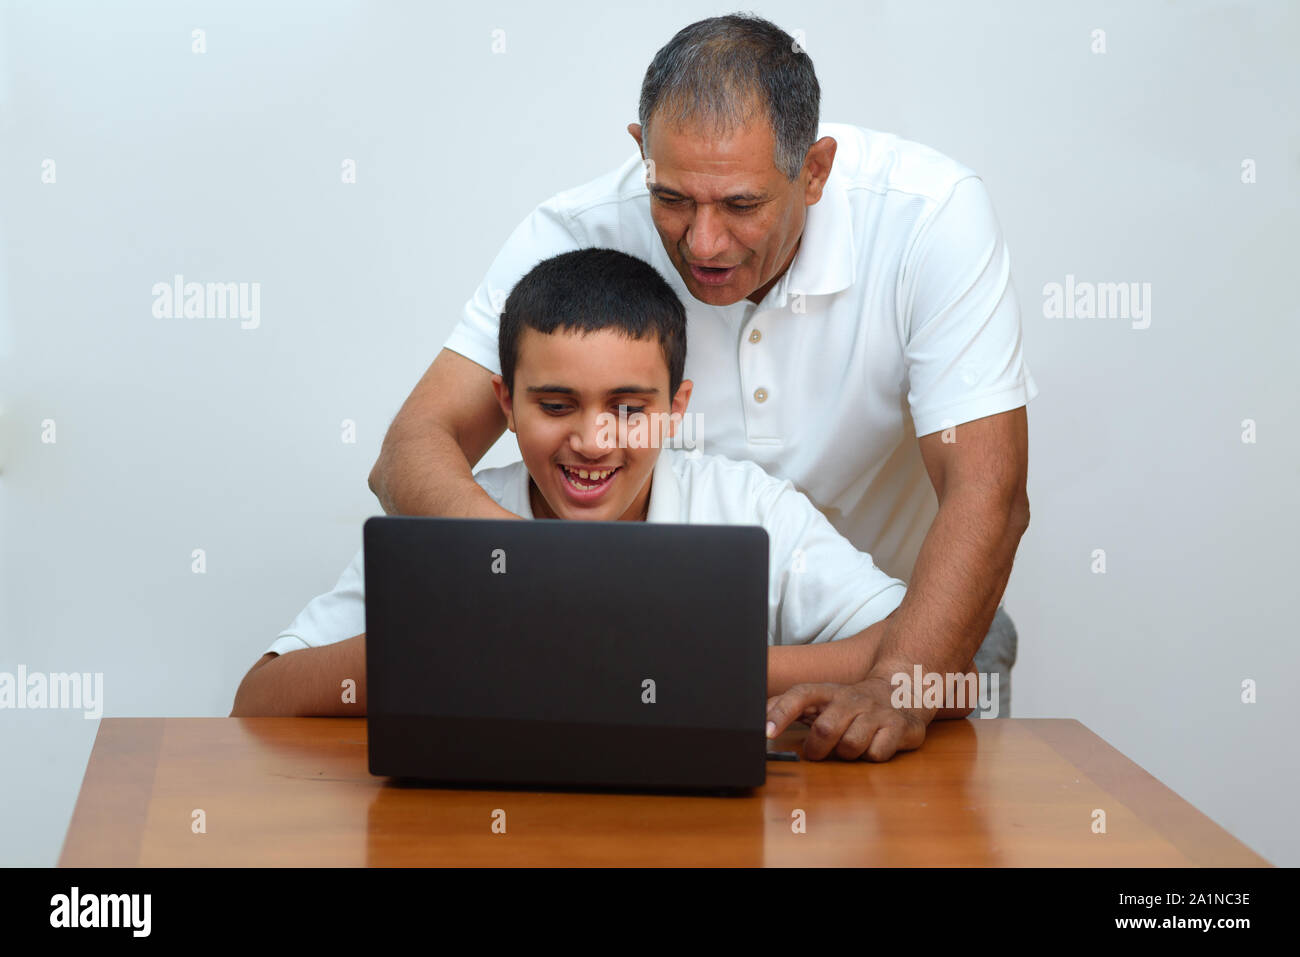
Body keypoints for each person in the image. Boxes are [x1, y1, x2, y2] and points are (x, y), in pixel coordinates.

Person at [366, 14, 1036, 758]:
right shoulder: (575, 229)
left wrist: (897, 678)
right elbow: (409, 449)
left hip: (906, 634)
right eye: (673, 199)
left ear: (814, 171)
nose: (703, 242)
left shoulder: (930, 217)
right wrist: (531, 579)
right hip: (631, 648)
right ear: (640, 151)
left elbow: (990, 490)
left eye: (742, 206)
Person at [231, 249, 979, 759]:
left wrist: (684, 669)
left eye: (629, 409)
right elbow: (259, 698)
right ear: (507, 402)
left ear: (677, 406)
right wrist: (459, 650)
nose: (593, 441)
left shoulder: (746, 507)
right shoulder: (453, 520)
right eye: (556, 403)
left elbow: (947, 672)